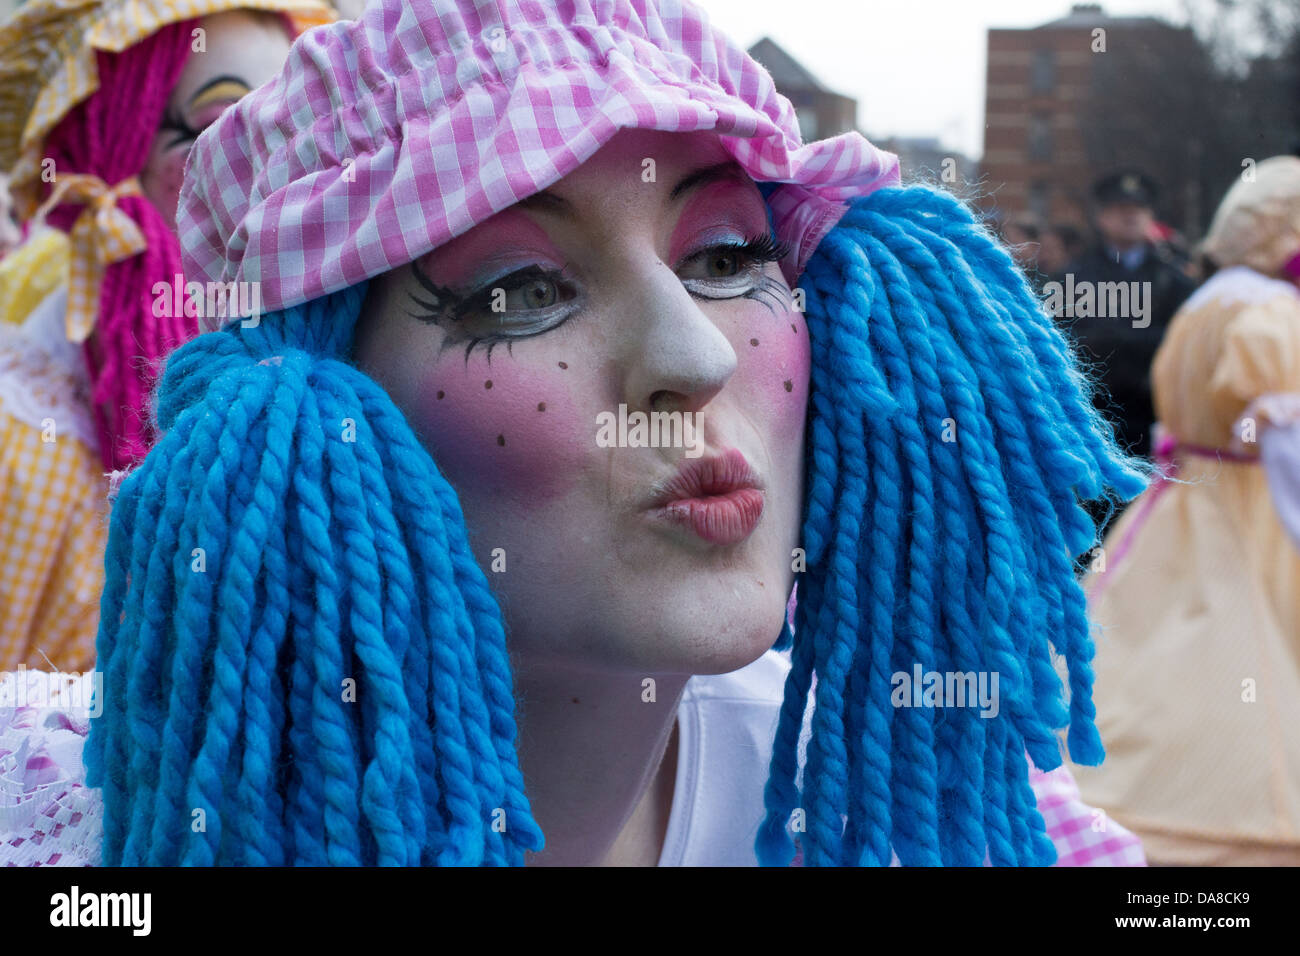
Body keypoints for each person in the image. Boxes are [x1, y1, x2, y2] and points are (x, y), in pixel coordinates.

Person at [3, 0, 1149, 867]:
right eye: (516, 292)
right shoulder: (46, 819)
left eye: (726, 257)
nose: (696, 357)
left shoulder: (945, 824)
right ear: (302, 423)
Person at [0, 0, 335, 672]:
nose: (276, 165)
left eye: (292, 123)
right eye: (225, 127)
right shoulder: (23, 441)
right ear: (115, 145)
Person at [1071, 156, 1300, 866]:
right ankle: (1224, 807)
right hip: (1248, 504)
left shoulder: (1202, 299)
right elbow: (1284, 438)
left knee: (1152, 650)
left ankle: (1112, 786)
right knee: (1242, 650)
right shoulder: (1269, 314)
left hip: (1183, 498)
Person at [1058, 170, 1196, 458]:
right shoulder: (1073, 277)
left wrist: (1118, 339)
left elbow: (1187, 341)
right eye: (1121, 209)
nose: (1131, 216)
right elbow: (1060, 339)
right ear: (1101, 217)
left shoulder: (1173, 279)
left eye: (1139, 209)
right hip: (1093, 412)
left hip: (1154, 412)